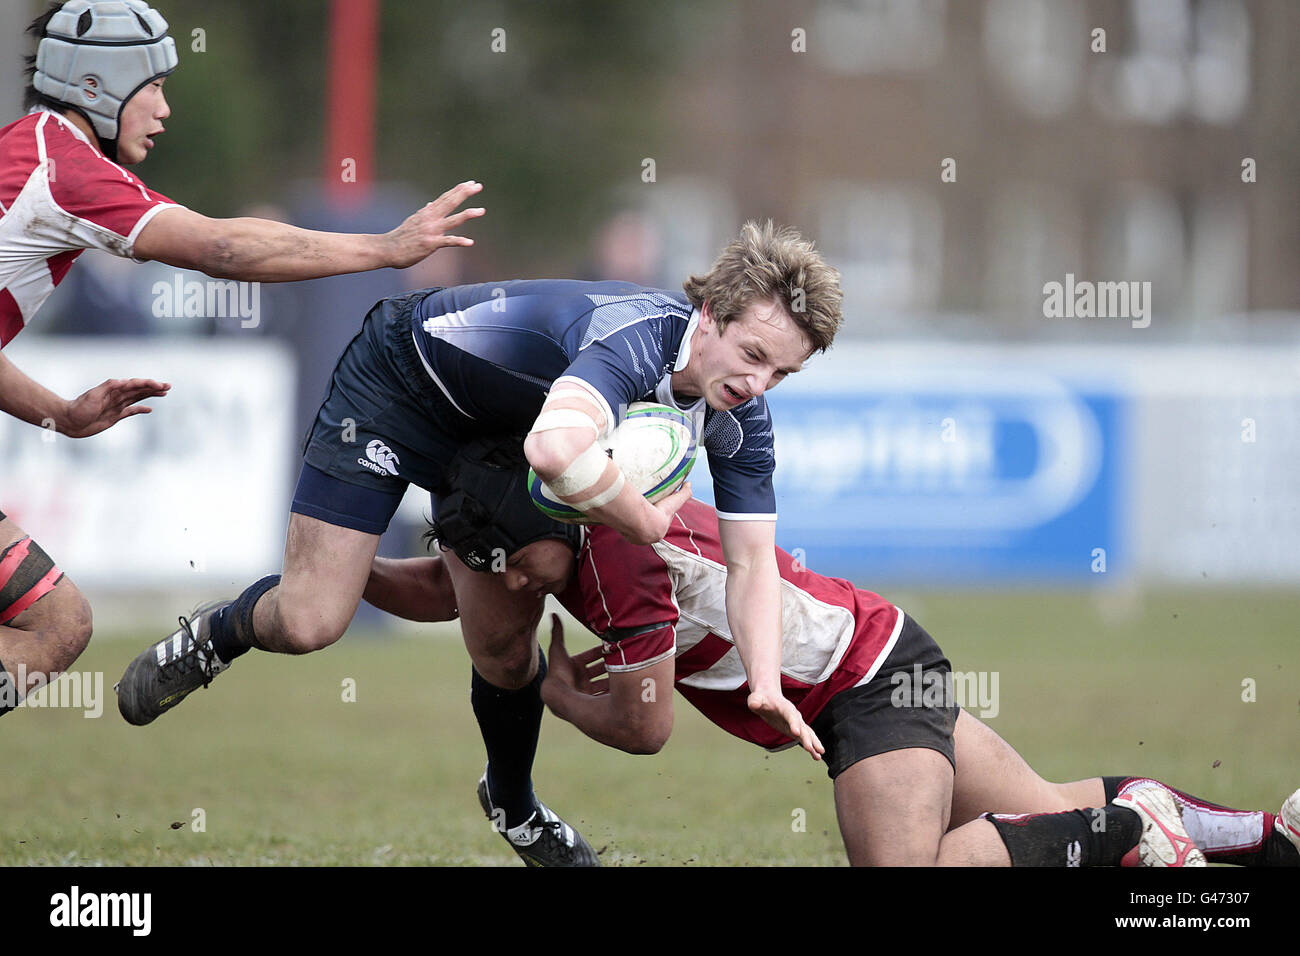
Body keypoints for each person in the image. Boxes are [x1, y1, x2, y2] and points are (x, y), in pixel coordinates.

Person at [114, 220, 844, 866]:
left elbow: (750, 562)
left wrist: (768, 683)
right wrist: (644, 520)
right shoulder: (632, 339)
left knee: (500, 643)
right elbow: (558, 450)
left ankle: (514, 803)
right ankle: (220, 632)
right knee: (310, 621)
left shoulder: (743, 417)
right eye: (753, 354)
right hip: (402, 381)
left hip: (503, 430)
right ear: (709, 314)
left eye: (783, 371)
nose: (760, 383)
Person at [363, 441, 1300, 867]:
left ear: (554, 526)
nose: (514, 587)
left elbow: (646, 730)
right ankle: (1268, 838)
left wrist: (557, 693)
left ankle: (1136, 837)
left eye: (520, 566)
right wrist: (335, 568)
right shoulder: (552, 527)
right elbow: (446, 587)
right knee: (1049, 820)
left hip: (865, 686)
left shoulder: (620, 561)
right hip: (886, 648)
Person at [0, 1, 483, 717]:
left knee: (57, 623)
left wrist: (62, 414)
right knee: (55, 625)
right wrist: (383, 249)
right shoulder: (61, 168)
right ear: (96, 87)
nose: (165, 108)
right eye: (152, 85)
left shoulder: (32, 157)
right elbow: (218, 248)